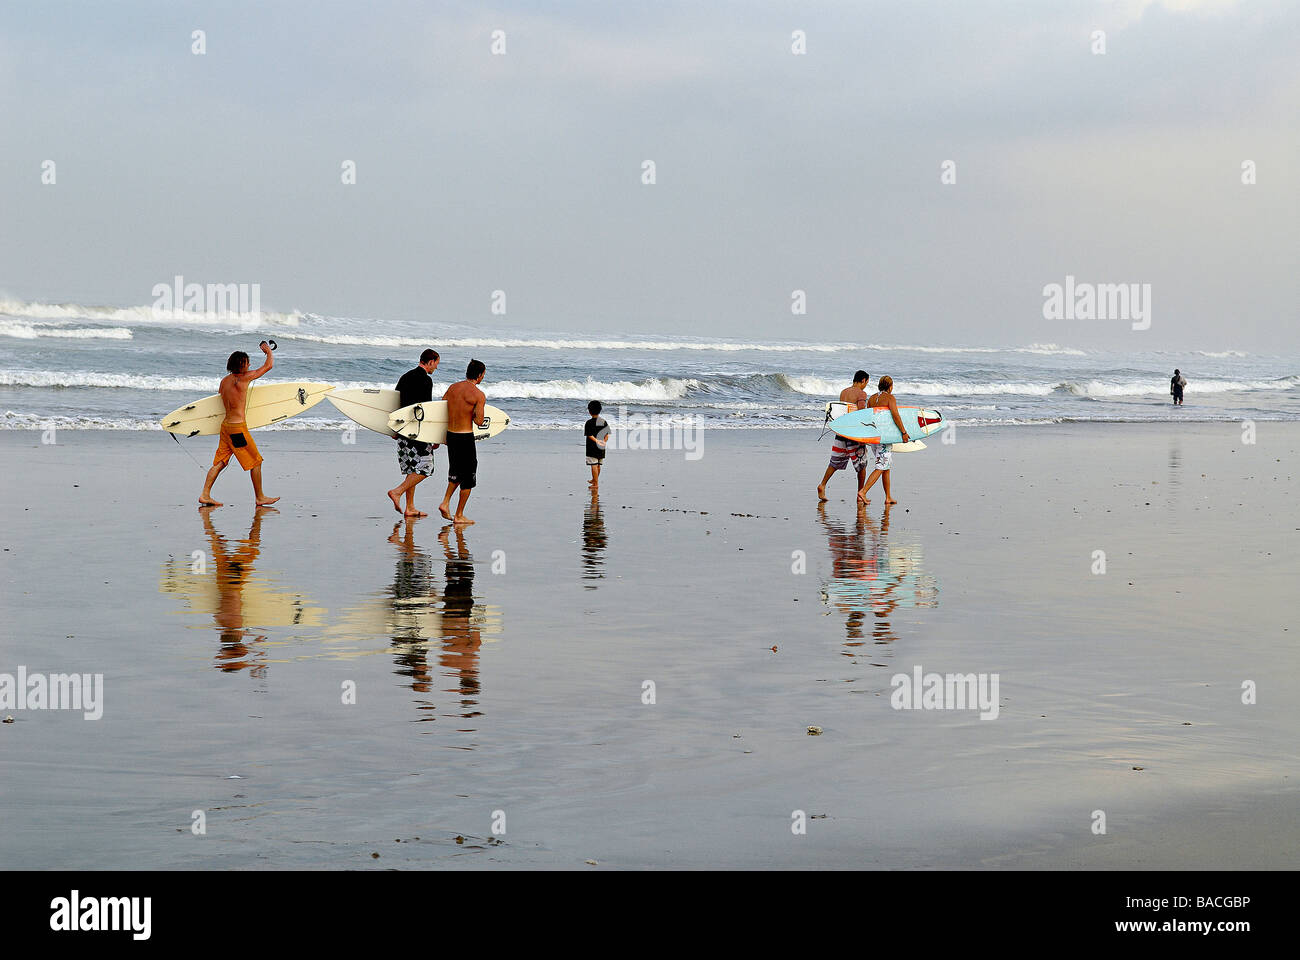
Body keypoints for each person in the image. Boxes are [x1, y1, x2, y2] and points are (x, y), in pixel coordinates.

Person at [198, 342, 279, 507]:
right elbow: (268, 366)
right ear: (241, 365)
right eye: (247, 363)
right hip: (237, 430)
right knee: (256, 461)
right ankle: (260, 497)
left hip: (225, 427)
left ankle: (205, 494)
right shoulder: (243, 379)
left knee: (220, 462)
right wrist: (268, 351)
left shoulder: (224, 382)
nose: (249, 365)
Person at [387, 349, 441, 517]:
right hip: (417, 433)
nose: (436, 368)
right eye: (436, 364)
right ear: (430, 361)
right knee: (426, 468)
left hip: (402, 430)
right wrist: (434, 436)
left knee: (412, 469)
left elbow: (394, 403)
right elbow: (425, 410)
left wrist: (393, 427)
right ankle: (397, 491)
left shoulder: (405, 376)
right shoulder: (426, 380)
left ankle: (410, 507)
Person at [437, 359, 487, 525]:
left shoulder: (453, 388)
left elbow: (441, 407)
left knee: (455, 472)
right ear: (479, 375)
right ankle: (459, 515)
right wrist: (473, 412)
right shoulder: (478, 395)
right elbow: (479, 421)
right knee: (468, 477)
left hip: (451, 435)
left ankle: (445, 502)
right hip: (465, 437)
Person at [817, 371, 871, 501]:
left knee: (835, 462)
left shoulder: (844, 392)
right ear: (863, 380)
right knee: (862, 465)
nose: (865, 386)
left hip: (841, 430)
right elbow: (861, 413)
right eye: (866, 383)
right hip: (853, 433)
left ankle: (822, 484)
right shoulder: (861, 393)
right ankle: (860, 494)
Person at [857, 375, 910, 506]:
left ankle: (888, 497)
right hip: (884, 437)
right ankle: (863, 492)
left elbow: (868, 416)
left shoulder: (872, 398)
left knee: (886, 466)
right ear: (890, 386)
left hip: (874, 437)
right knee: (881, 466)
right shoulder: (890, 398)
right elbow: (895, 415)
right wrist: (904, 432)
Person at [584, 400, 611, 488]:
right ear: (600, 410)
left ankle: (595, 483)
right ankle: (594, 480)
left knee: (594, 465)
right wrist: (604, 441)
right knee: (598, 465)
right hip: (601, 447)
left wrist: (596, 441)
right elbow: (607, 433)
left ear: (589, 411)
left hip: (592, 448)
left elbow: (589, 435)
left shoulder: (588, 422)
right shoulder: (603, 421)